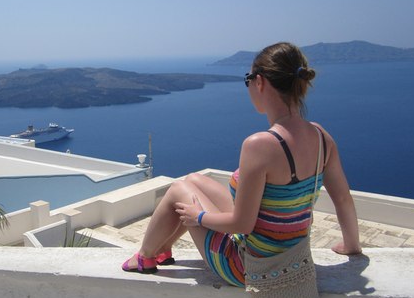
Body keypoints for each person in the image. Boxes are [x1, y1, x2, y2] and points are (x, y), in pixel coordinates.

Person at [122, 42, 362, 284]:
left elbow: (243, 224)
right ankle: (163, 249)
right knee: (194, 180)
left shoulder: (260, 145)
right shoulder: (322, 137)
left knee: (177, 190)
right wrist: (351, 246)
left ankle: (145, 256)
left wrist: (199, 217)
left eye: (248, 80)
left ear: (260, 82)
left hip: (250, 266)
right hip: (294, 258)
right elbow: (343, 199)